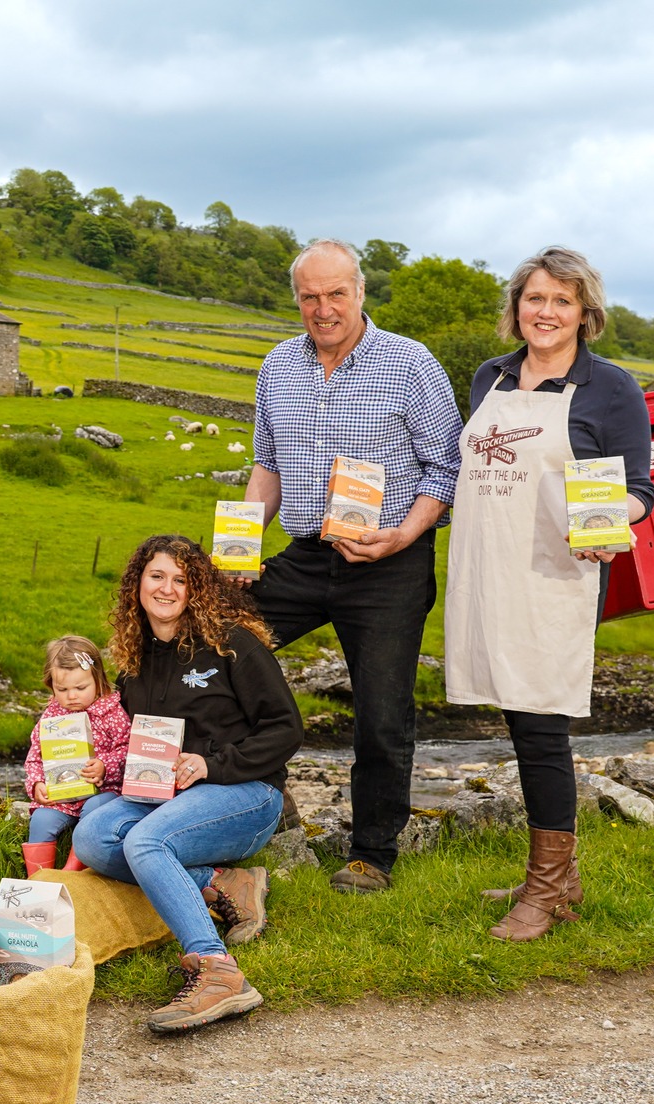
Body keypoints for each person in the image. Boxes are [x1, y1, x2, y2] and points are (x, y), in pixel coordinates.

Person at [243, 238, 464, 895]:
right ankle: (247, 802)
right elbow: (268, 465)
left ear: (360, 293)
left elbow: (445, 468)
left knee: (382, 711)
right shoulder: (278, 366)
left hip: (389, 562)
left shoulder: (410, 363)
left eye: (336, 293)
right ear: (297, 301)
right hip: (309, 554)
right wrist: (237, 548)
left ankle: (372, 854)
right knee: (218, 640)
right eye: (310, 296)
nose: (323, 308)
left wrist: (403, 536)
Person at [448, 247, 654, 942]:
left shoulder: (612, 389)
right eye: (535, 298)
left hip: (555, 575)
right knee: (518, 717)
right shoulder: (490, 377)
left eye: (562, 301)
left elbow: (638, 492)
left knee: (540, 726)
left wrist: (610, 522)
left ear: (585, 313)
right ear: (517, 308)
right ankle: (556, 873)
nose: (546, 312)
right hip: (490, 570)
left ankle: (548, 888)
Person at [72, 536, 303, 1034]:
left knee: (146, 840)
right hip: (167, 795)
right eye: (157, 576)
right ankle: (222, 883)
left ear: (197, 589)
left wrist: (213, 764)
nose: (167, 588)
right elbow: (137, 742)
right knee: (91, 836)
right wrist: (102, 766)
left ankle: (217, 970)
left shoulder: (233, 643)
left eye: (181, 579)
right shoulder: (136, 659)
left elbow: (286, 728)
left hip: (246, 793)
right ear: (138, 584)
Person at [21, 636, 129, 876]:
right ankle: (40, 879)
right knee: (41, 819)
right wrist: (37, 783)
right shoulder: (51, 718)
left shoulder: (111, 713)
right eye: (63, 689)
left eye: (80, 688)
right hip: (62, 795)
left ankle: (74, 873)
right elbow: (35, 758)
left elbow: (127, 751)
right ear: (51, 686)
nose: (72, 696)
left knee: (95, 811)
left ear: (98, 681)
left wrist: (104, 766)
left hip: (104, 792)